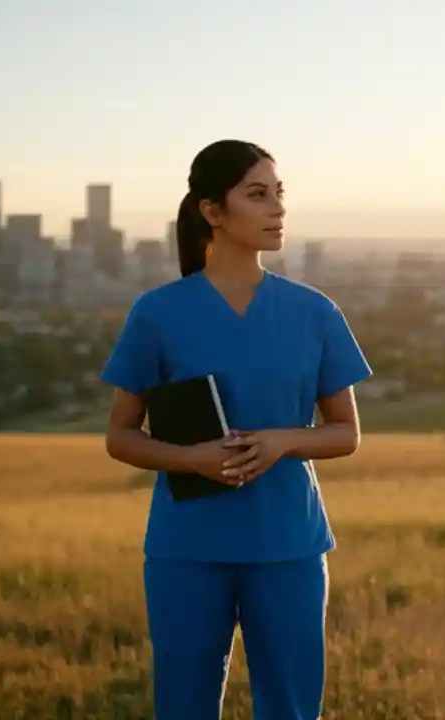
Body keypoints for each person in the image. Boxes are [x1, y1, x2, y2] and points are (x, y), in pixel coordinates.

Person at [100, 139, 372, 719]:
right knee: (183, 707)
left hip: (288, 545)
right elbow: (120, 436)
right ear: (212, 211)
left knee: (291, 709)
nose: (277, 208)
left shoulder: (315, 312)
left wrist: (282, 441)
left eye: (279, 193)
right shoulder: (157, 313)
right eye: (257, 194)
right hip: (187, 547)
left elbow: (345, 432)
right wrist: (192, 458)